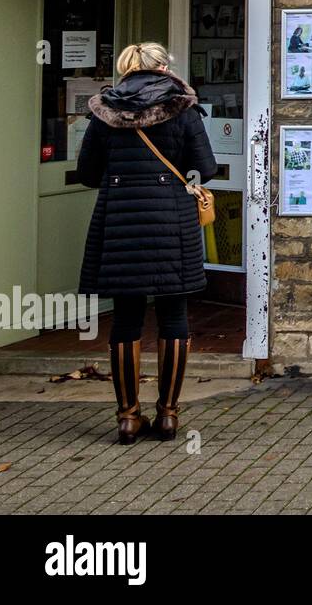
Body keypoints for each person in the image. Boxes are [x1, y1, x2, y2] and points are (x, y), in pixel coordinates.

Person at [76, 43, 219, 445]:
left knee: (125, 320)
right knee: (174, 316)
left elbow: (87, 173)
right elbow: (204, 168)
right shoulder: (182, 108)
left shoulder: (103, 112)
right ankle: (169, 414)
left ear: (126, 69)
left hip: (121, 223)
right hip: (171, 221)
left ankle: (127, 417)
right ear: (161, 68)